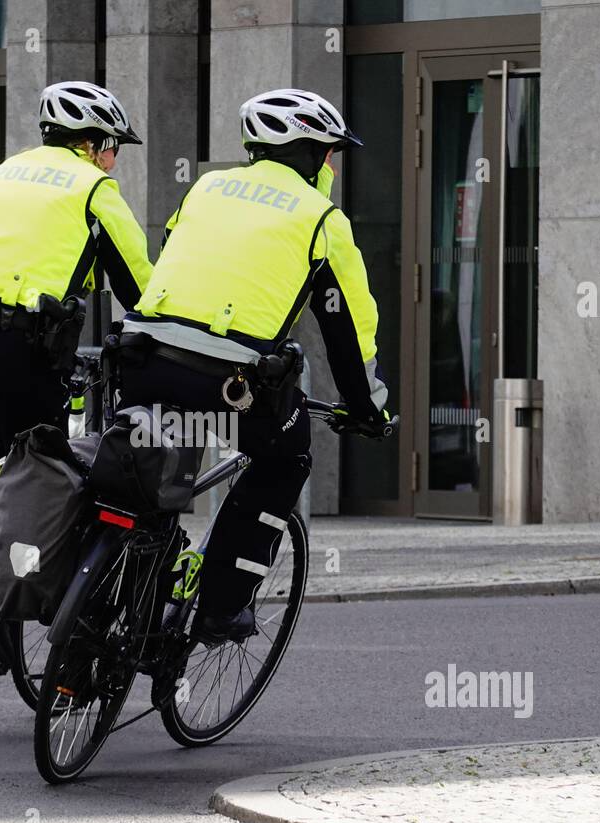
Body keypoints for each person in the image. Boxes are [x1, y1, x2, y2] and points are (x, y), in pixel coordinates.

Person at [115, 88, 393, 645]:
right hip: (227, 379)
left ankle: (115, 600)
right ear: (312, 153)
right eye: (331, 152)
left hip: (142, 355)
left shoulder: (205, 188)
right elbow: (347, 329)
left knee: (139, 472)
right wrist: (367, 408)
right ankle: (221, 605)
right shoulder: (321, 218)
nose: (333, 164)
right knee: (283, 461)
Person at [0, 80, 153, 444]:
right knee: (40, 447)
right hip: (17, 346)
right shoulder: (94, 187)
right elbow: (139, 287)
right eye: (113, 147)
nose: (112, 160)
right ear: (92, 145)